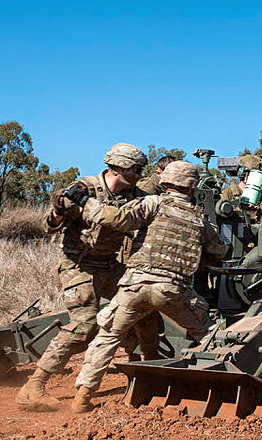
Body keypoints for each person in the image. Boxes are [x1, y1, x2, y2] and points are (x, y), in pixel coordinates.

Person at [70, 160, 227, 413]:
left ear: (166, 182)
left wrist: (85, 203)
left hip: (135, 287)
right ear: (191, 187)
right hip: (174, 291)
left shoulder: (152, 204)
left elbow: (117, 218)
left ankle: (83, 396)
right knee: (207, 333)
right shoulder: (199, 220)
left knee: (107, 337)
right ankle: (224, 385)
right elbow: (219, 250)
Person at [15, 143, 162, 411]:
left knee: (145, 307)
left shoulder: (136, 196)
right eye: (136, 169)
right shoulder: (84, 189)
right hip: (78, 265)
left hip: (109, 264)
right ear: (118, 168)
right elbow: (49, 226)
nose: (140, 174)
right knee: (84, 325)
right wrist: (59, 208)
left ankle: (150, 371)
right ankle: (33, 386)